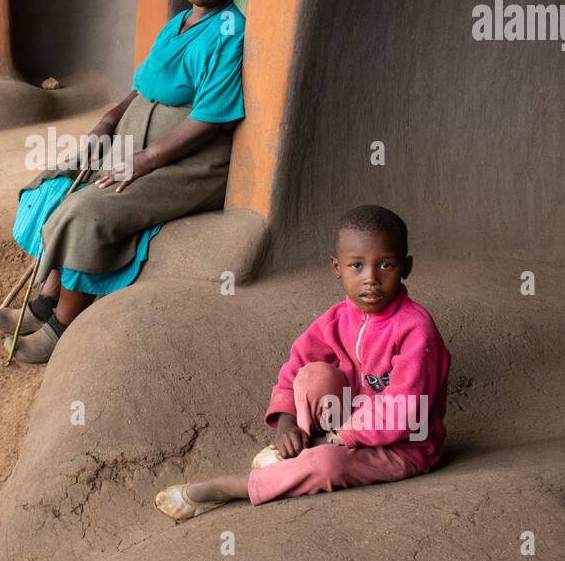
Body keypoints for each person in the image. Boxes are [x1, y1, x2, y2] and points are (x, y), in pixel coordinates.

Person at [0, 0, 253, 364]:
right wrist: (107, 122)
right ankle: (47, 298)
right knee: (61, 185)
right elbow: (142, 87)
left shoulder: (230, 32)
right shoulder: (178, 23)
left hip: (186, 164)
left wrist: (143, 162)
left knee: (88, 211)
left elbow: (209, 120)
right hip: (131, 146)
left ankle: (63, 324)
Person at [154, 204, 451, 519]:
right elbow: (297, 366)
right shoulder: (337, 318)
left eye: (386, 265)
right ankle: (297, 448)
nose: (371, 279)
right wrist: (287, 424)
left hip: (403, 447)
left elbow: (404, 411)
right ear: (337, 267)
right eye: (356, 266)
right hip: (342, 425)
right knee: (314, 376)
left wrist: (334, 440)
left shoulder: (416, 329)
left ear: (406, 267)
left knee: (328, 464)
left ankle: (230, 487)